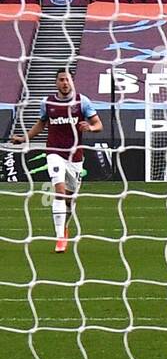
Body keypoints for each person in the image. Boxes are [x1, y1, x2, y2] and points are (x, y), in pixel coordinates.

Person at [9, 69, 102, 253]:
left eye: (67, 80)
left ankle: (64, 228)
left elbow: (99, 124)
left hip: (75, 157)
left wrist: (90, 128)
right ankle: (60, 238)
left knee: (69, 198)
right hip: (54, 152)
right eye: (61, 80)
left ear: (72, 82)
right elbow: (41, 123)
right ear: (56, 83)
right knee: (59, 190)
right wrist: (24, 138)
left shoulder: (82, 102)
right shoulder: (47, 102)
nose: (65, 83)